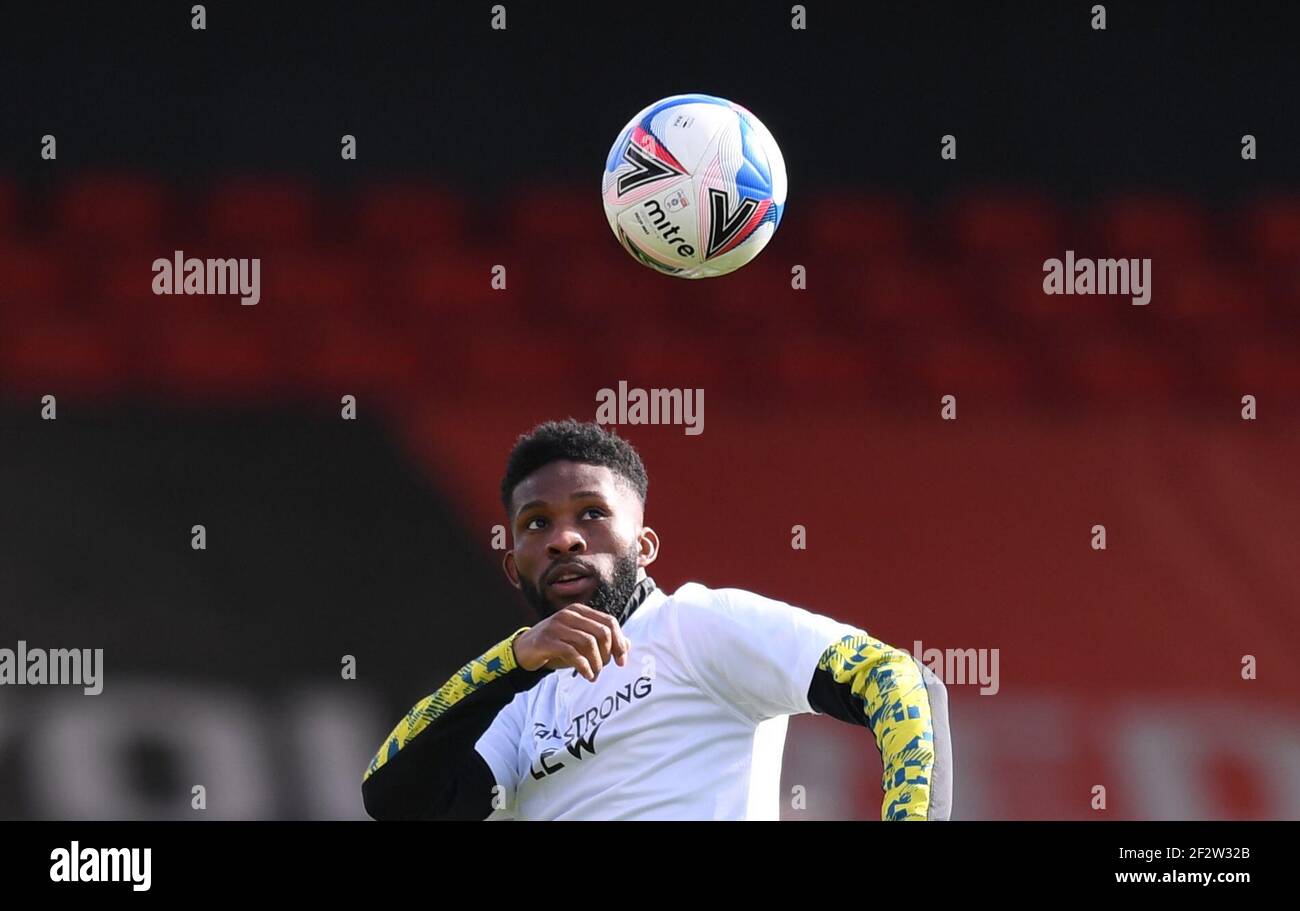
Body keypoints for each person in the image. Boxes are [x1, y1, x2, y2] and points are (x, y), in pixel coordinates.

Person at [362, 419, 951, 820]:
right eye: (536, 523)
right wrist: (513, 659)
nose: (565, 538)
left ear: (644, 547)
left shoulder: (695, 627)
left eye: (591, 513)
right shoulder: (521, 706)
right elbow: (395, 797)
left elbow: (894, 679)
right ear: (514, 566)